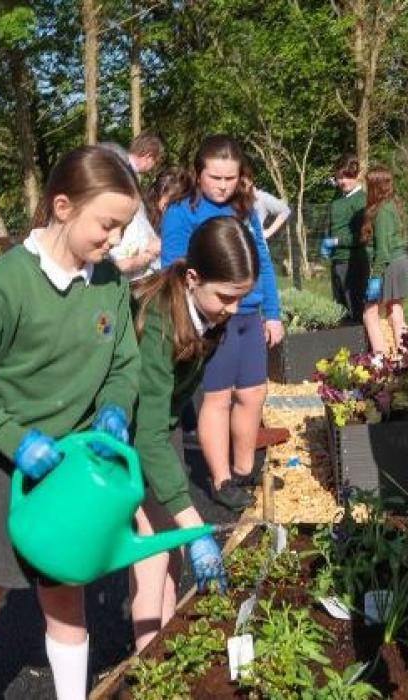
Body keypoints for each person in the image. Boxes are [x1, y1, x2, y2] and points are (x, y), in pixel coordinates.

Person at [0, 145, 142, 700]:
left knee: (65, 599)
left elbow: (124, 365)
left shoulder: (111, 284)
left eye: (123, 227)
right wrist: (17, 441)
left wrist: (116, 407)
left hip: (66, 469)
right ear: (63, 206)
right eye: (107, 224)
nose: (115, 240)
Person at [129, 216, 259, 651]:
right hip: (129, 434)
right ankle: (148, 671)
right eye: (226, 296)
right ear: (192, 277)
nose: (234, 309)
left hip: (157, 426)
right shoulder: (159, 322)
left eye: (242, 297)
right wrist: (199, 527)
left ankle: (164, 653)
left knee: (173, 552)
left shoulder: (207, 311)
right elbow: (145, 434)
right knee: (152, 553)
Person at [160, 135, 283, 511]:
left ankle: (245, 469)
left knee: (252, 394)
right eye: (215, 177)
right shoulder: (182, 212)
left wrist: (273, 313)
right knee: (217, 399)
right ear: (198, 174)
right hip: (214, 320)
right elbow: (174, 266)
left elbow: (261, 259)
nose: (223, 185)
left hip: (251, 316)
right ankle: (221, 479)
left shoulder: (243, 208)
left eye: (230, 178)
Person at [359, 164, 408, 355]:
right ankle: (406, 355)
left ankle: (379, 358)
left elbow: (382, 251)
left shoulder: (381, 212)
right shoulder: (392, 206)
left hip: (389, 265)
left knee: (369, 313)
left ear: (375, 186)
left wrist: (375, 277)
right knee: (395, 311)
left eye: (368, 185)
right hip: (401, 262)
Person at [105, 133, 165, 283]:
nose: (152, 167)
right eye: (155, 162)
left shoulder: (128, 171)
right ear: (149, 156)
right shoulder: (122, 170)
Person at [319, 154, 367, 321]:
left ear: (357, 176)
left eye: (348, 177)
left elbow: (362, 236)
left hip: (353, 262)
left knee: (355, 310)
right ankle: (344, 346)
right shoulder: (337, 198)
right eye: (340, 177)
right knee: (340, 311)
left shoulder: (362, 201)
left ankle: (362, 346)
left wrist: (337, 241)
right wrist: (326, 240)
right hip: (337, 260)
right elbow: (333, 225)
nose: (343, 181)